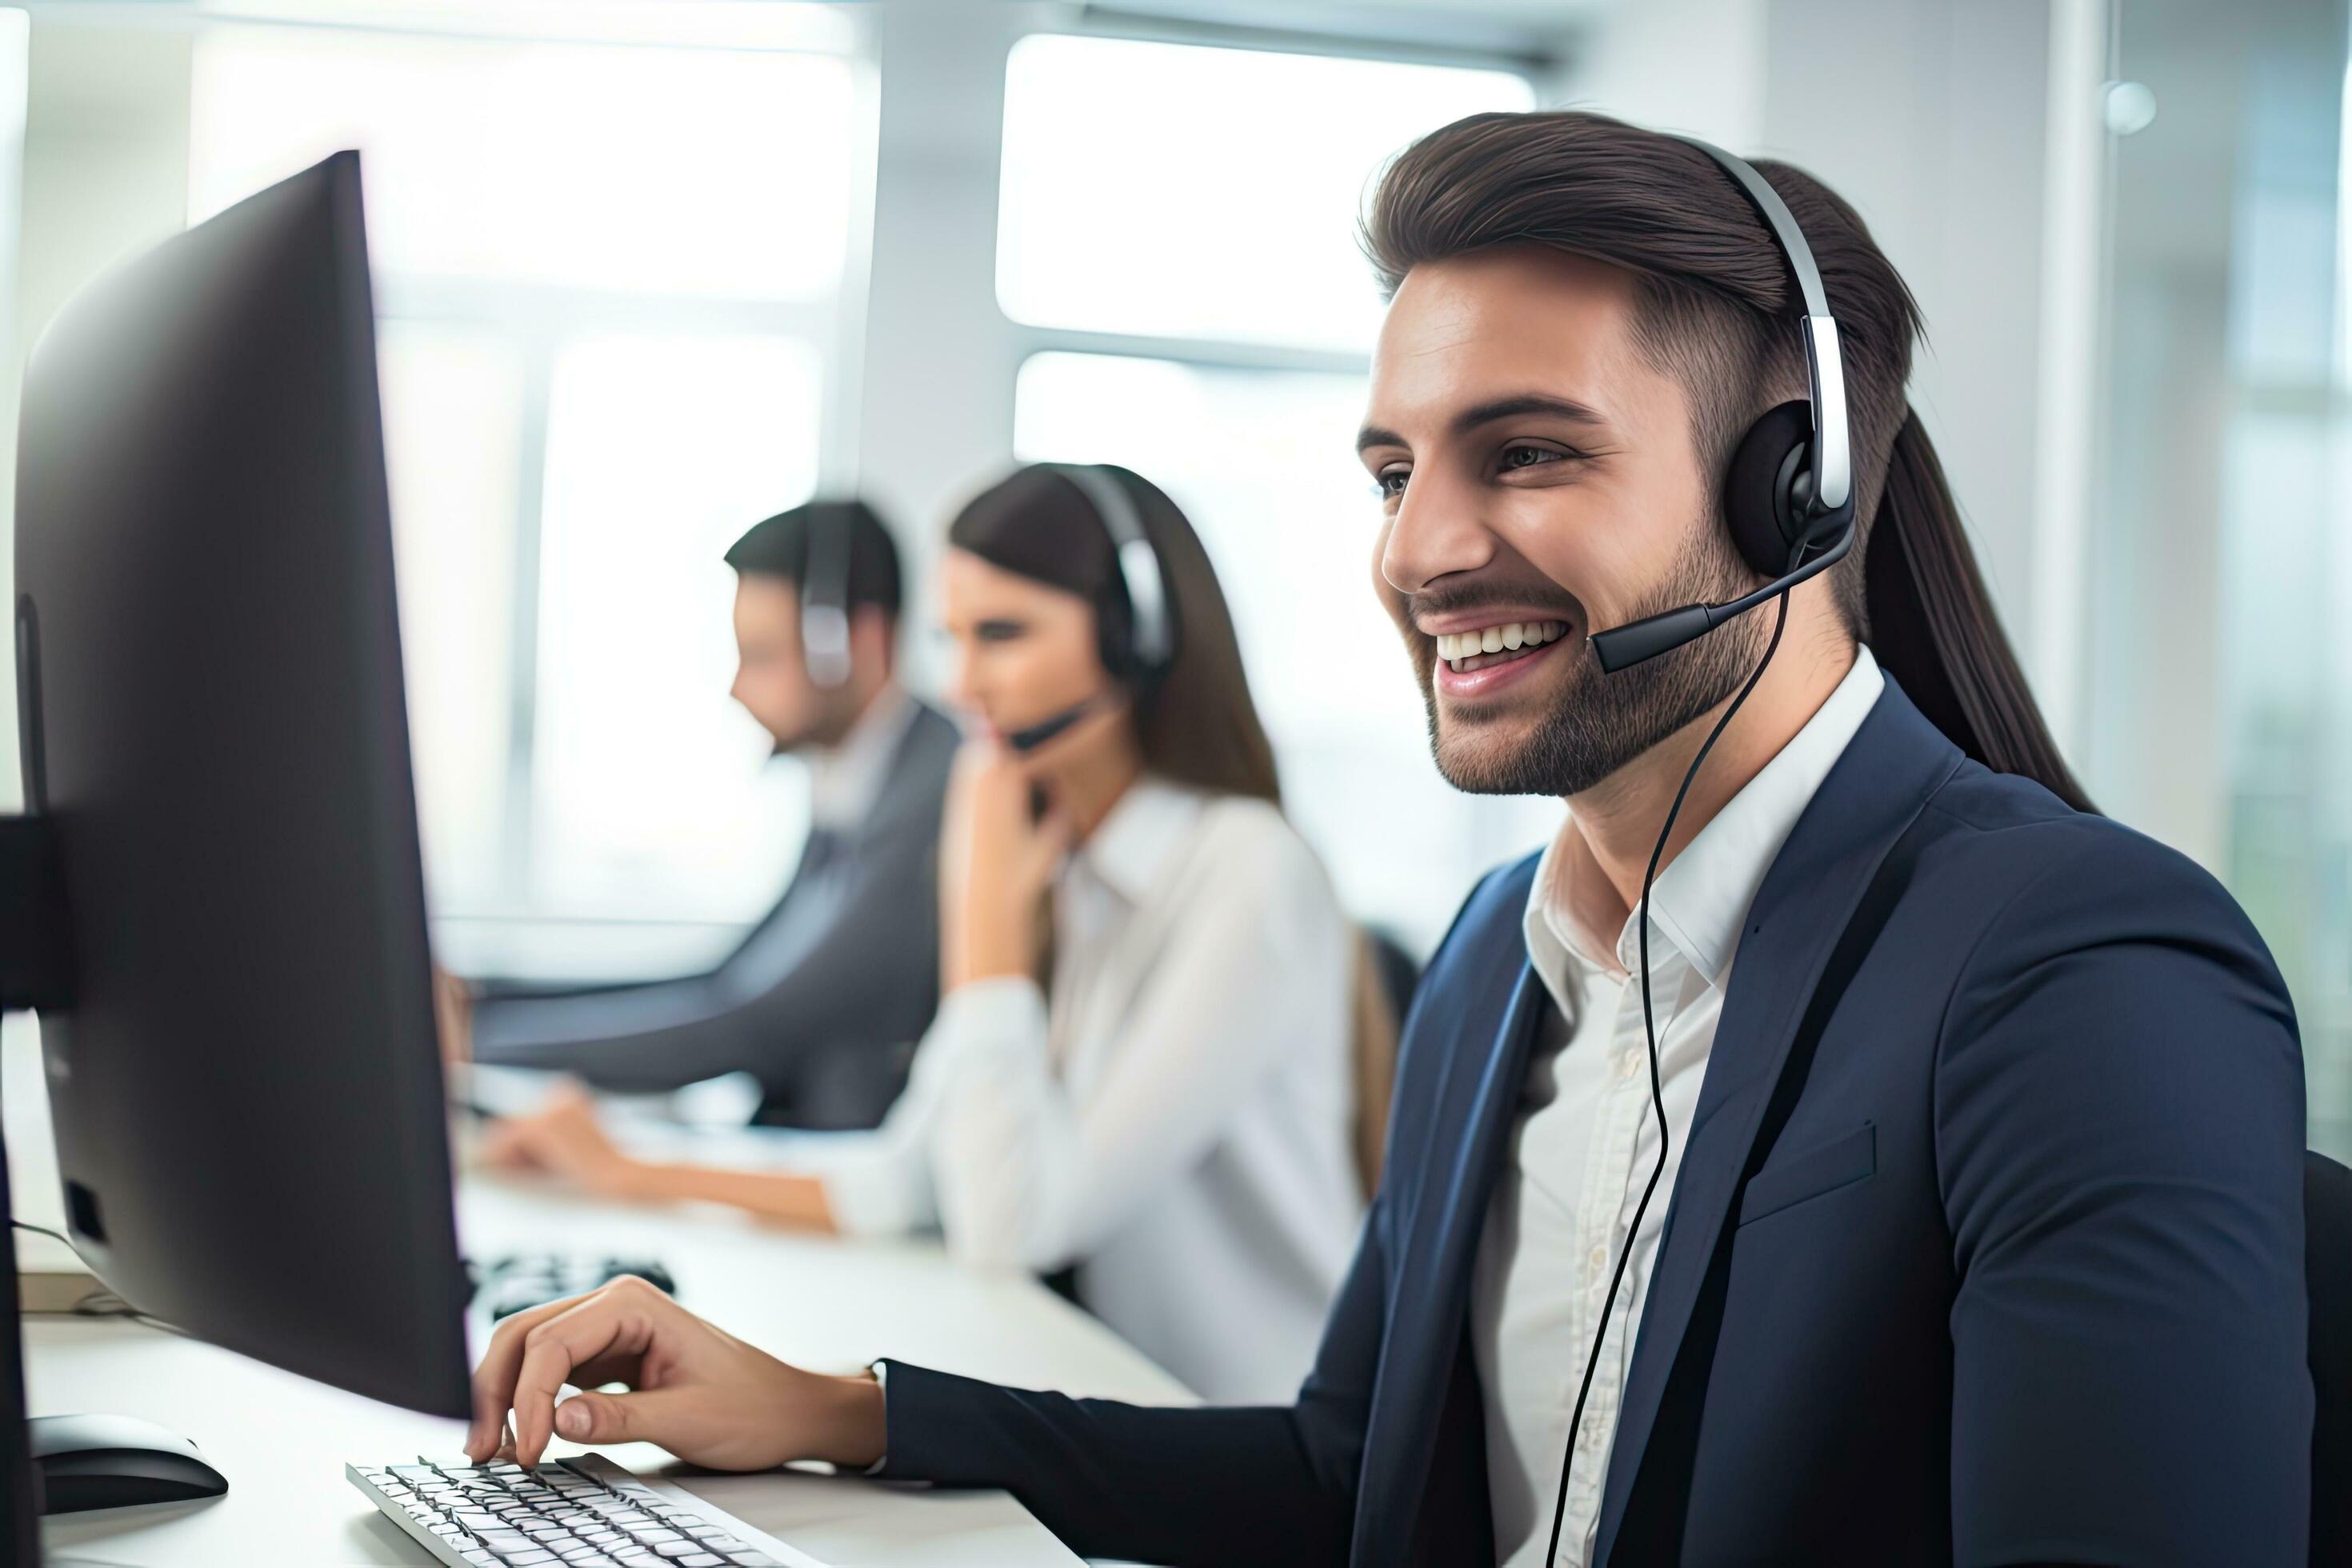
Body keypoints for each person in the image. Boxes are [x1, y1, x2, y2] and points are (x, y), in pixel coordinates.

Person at [458, 112, 2310, 1566]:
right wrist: (839, 1410)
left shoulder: (2073, 972)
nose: (1417, 556)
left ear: (1793, 488)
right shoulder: (1511, 957)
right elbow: (1356, 1479)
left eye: (1530, 453)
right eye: (1396, 471)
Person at [481, 462, 1377, 1404]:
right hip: (1107, 1406)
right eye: (952, 637)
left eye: (1003, 633)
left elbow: (1014, 1222)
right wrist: (630, 1170)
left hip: (1250, 1446)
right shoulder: (1063, 858)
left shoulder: (1247, 872)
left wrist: (984, 922)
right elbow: (910, 1179)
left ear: (1136, 638)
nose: (962, 683)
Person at [438, 500, 959, 1130]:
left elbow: (755, 1022)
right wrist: (486, 999)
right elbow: (728, 977)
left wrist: (473, 1048)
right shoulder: (863, 784)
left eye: (763, 656)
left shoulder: (935, 794)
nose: (738, 688)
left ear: (859, 644)